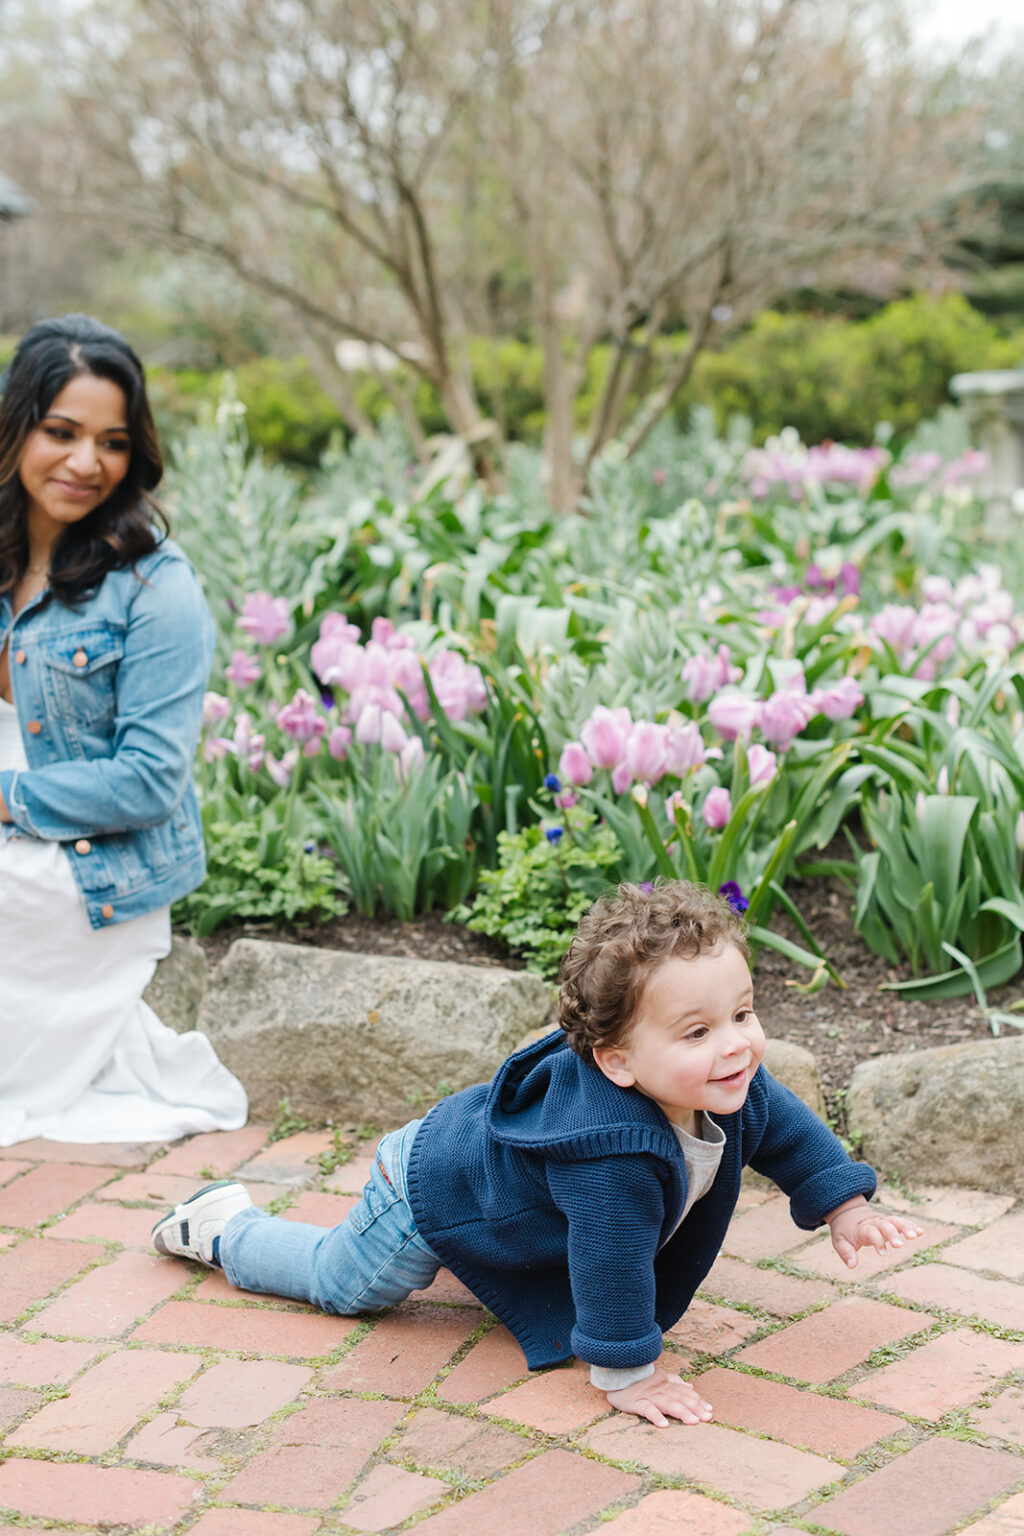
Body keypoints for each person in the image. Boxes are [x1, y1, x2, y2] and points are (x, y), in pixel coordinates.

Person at [152, 881, 921, 1426]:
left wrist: (843, 1204)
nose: (737, 1045)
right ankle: (223, 1227)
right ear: (619, 1061)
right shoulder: (611, 1154)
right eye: (698, 1031)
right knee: (346, 1283)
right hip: (425, 1188)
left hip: (482, 1165)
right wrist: (627, 1372)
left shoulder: (727, 1079)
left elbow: (788, 1132)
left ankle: (497, 1241)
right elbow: (610, 1258)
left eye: (743, 1013)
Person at [0, 313, 247, 1146]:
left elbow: (147, 781)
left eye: (109, 441)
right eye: (60, 432)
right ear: (16, 427)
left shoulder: (153, 583)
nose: (85, 462)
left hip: (90, 864)